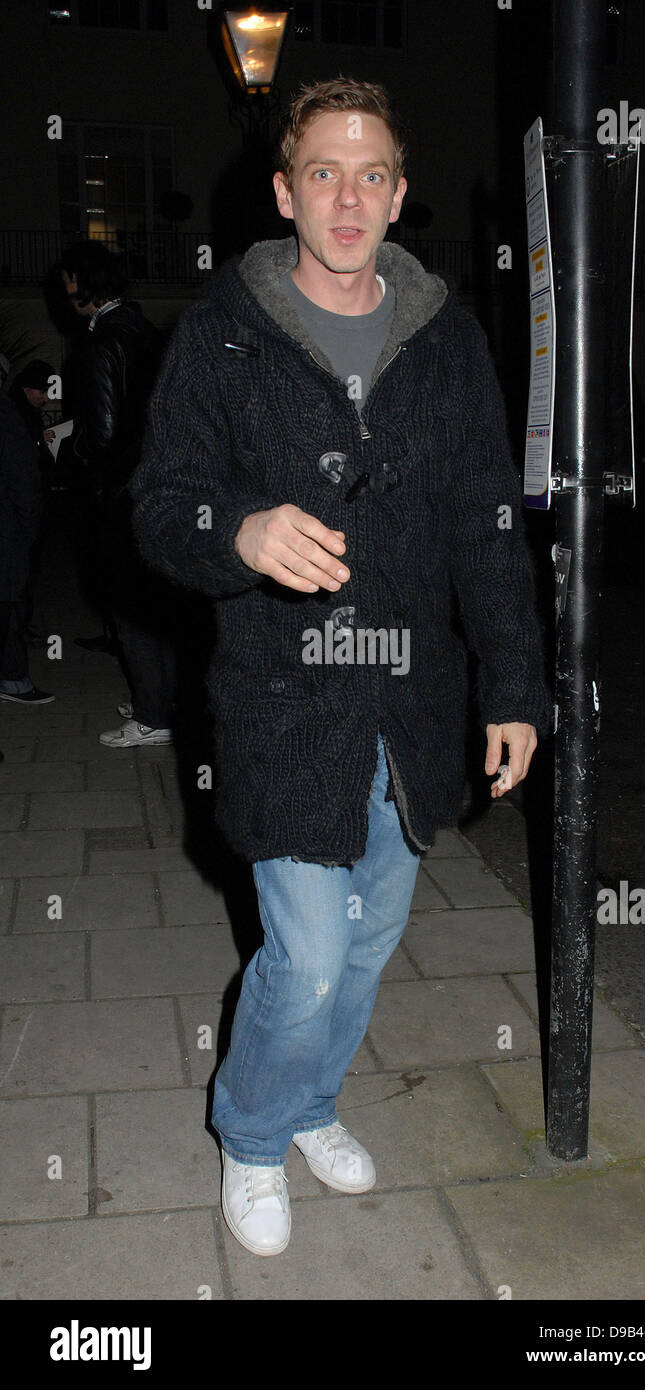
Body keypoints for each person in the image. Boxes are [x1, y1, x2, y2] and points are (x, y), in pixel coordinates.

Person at [132, 78, 552, 1257]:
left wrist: (516, 689)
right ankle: (255, 1134)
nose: (350, 194)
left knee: (366, 942)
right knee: (308, 954)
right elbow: (157, 508)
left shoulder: (449, 338)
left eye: (373, 173)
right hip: (283, 702)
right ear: (284, 191)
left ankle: (315, 1104)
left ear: (402, 194)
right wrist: (241, 533)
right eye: (325, 170)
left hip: (413, 704)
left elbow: (485, 522)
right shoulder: (223, 331)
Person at [60, 241, 175, 746]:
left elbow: (105, 435)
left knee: (130, 608)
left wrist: (72, 450)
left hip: (124, 492)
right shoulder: (143, 331)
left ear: (85, 282)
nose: (64, 291)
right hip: (156, 486)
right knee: (153, 605)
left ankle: (154, 717)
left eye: (69, 280)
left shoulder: (102, 341)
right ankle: (160, 701)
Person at [0, 383, 54, 704]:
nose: (45, 398)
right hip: (8, 528)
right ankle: (12, 679)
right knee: (9, 602)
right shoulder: (7, 412)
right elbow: (23, 476)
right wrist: (30, 526)